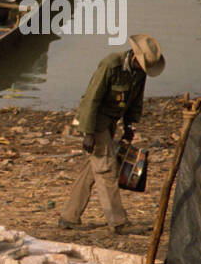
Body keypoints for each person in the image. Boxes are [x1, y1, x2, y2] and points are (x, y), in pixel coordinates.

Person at [60, 34, 165, 235]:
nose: (144, 69)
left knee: (92, 170)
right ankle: (118, 222)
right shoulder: (111, 64)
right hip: (96, 120)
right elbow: (91, 98)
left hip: (111, 121)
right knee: (106, 170)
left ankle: (69, 216)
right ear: (134, 56)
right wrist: (88, 132)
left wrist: (130, 127)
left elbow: (136, 101)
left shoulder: (139, 73)